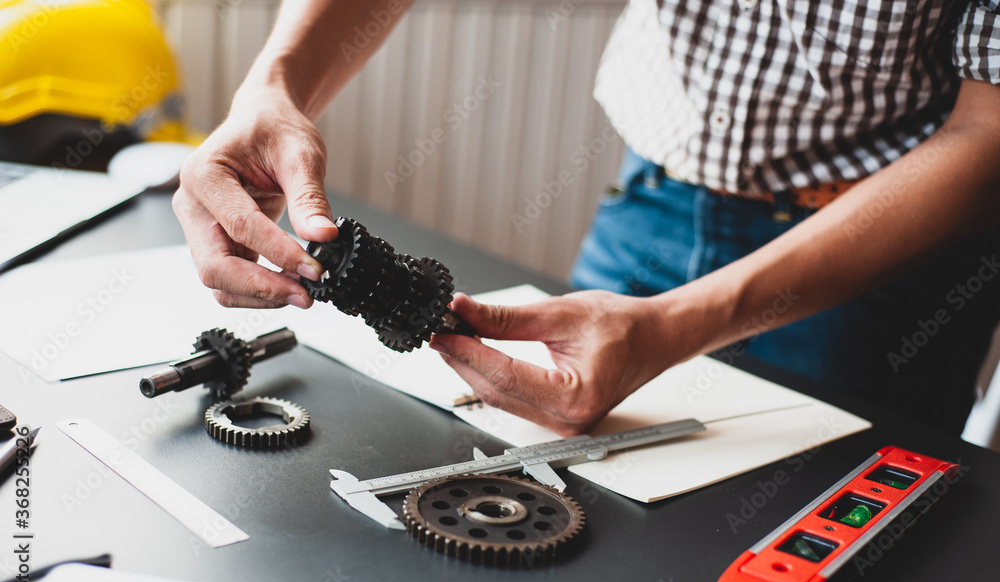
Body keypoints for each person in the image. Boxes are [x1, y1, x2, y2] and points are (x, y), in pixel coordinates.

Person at [174, 0, 1000, 438]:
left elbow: (989, 130)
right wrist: (274, 86)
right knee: (580, 497)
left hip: (876, 260)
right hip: (654, 197)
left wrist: (678, 324)